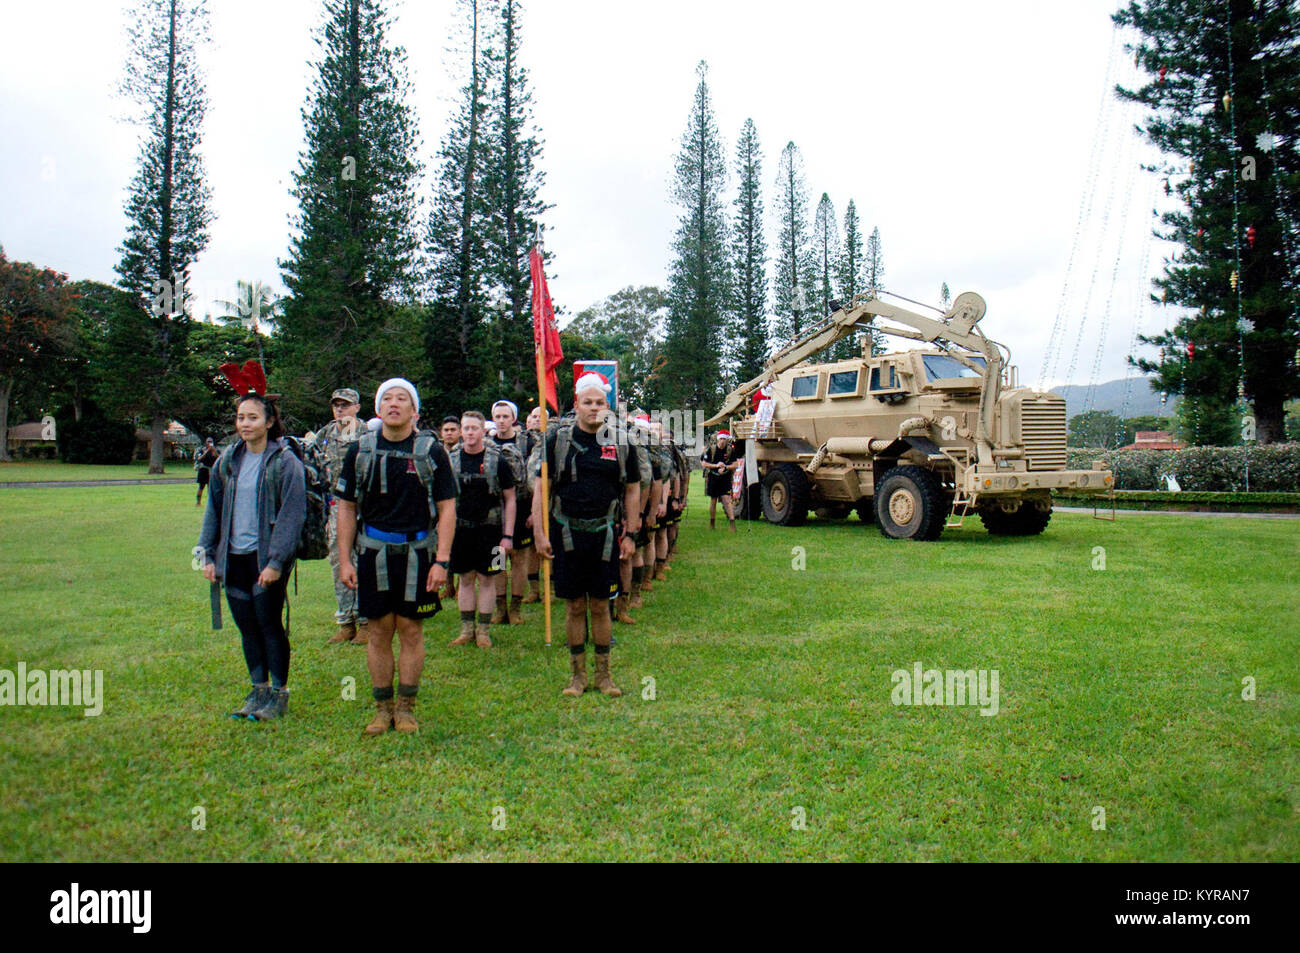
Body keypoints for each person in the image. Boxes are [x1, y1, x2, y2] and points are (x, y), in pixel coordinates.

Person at [336, 379, 458, 736]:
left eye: (401, 398)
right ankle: (381, 707)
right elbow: (346, 507)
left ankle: (406, 707)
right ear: (377, 408)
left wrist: (443, 561)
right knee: (377, 631)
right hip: (373, 553)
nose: (393, 404)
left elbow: (447, 507)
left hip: (418, 555)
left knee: (410, 629)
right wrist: (345, 560)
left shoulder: (432, 452)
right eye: (386, 398)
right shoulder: (359, 451)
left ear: (414, 410)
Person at [197, 380, 305, 723]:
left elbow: (292, 514)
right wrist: (207, 554)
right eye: (241, 417)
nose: (245, 424)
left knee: (269, 624)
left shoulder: (285, 463)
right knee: (247, 627)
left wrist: (276, 562)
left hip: (265, 559)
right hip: (233, 558)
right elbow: (213, 510)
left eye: (252, 418)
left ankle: (278, 693)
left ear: (269, 421)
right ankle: (257, 689)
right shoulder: (227, 461)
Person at [533, 373, 640, 697]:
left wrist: (631, 534)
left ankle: (603, 676)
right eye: (588, 402)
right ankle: (577, 676)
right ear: (576, 405)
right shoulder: (556, 442)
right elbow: (542, 487)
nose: (594, 408)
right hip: (566, 534)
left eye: (600, 403)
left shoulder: (621, 443)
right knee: (574, 607)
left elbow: (633, 489)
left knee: (601, 606)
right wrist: (539, 532)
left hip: (605, 536)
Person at [446, 411, 515, 648]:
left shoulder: (498, 460)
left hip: (492, 531)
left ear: (483, 431)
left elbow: (511, 499)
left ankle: (484, 631)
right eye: (466, 428)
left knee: (489, 579)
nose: (470, 433)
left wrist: (508, 536)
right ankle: (467, 630)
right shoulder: (452, 459)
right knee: (465, 579)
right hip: (460, 530)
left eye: (474, 428)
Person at [309, 387, 368, 645]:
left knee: (365, 560)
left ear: (357, 407)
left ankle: (366, 621)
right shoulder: (326, 433)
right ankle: (346, 621)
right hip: (335, 504)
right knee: (339, 560)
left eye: (345, 404)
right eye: (336, 405)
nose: (340, 409)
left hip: (365, 506)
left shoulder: (368, 434)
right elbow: (312, 462)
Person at [489, 399, 538, 622]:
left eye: (505, 416)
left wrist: (534, 512)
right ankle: (500, 608)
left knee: (519, 558)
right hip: (495, 511)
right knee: (498, 558)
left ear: (513, 418)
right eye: (497, 417)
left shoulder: (527, 443)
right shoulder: (487, 445)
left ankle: (516, 608)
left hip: (522, 505)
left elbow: (536, 478)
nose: (501, 421)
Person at [702, 431, 740, 531]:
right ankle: (712, 523)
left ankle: (732, 523)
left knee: (727, 500)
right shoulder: (711, 450)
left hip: (725, 478)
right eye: (721, 439)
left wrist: (725, 467)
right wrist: (716, 466)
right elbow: (704, 464)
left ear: (727, 440)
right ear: (718, 439)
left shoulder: (730, 451)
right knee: (713, 500)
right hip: (713, 477)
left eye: (724, 439)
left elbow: (736, 464)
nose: (722, 441)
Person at [194, 437, 219, 507]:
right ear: (206, 442)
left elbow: (220, 458)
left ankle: (210, 503)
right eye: (208, 442)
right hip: (203, 469)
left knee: (210, 487)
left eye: (211, 441)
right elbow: (199, 458)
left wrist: (214, 451)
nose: (210, 443)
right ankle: (198, 502)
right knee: (201, 486)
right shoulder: (201, 450)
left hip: (212, 470)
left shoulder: (215, 450)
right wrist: (207, 451)